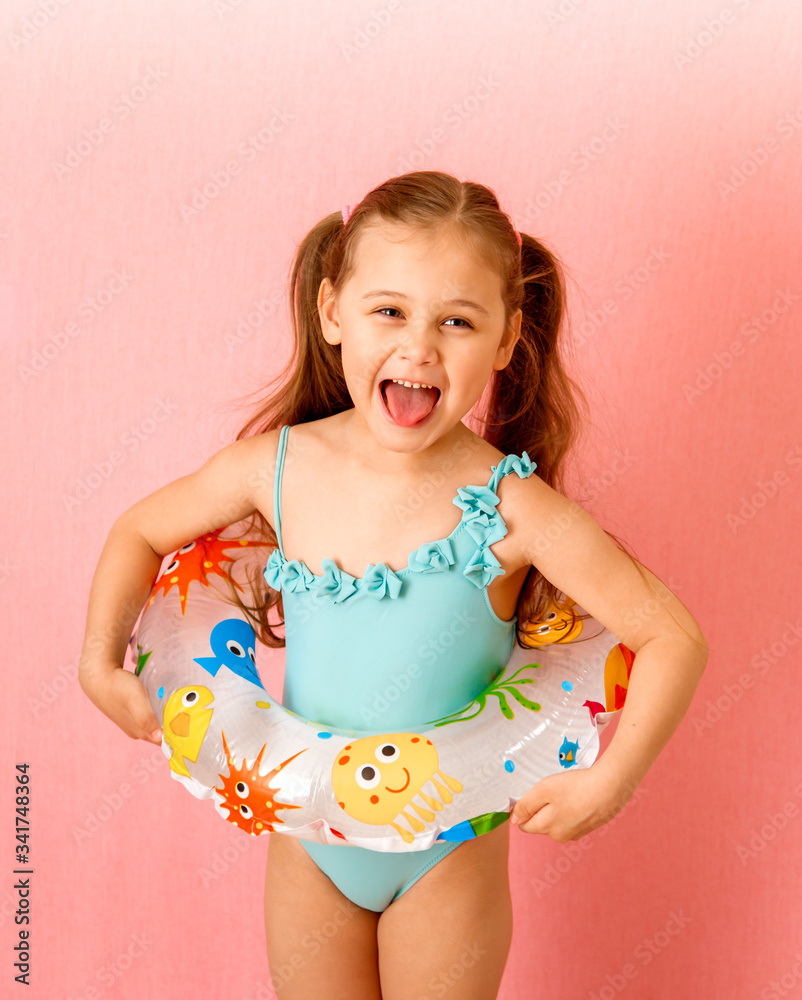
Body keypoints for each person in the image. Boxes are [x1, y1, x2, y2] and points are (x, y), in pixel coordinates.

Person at [79, 170, 708, 999]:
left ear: (508, 339)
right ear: (333, 310)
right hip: (308, 840)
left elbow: (673, 636)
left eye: (457, 321)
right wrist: (99, 662)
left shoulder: (512, 507)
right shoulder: (277, 468)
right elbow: (139, 530)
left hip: (446, 851)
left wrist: (612, 779)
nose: (418, 346)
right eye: (390, 311)